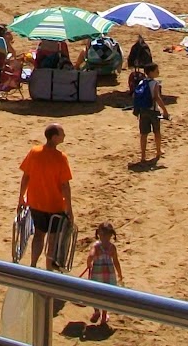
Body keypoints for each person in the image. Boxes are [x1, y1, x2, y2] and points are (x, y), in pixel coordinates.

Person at [18, 124, 73, 269]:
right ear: (54, 137)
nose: (64, 136)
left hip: (36, 203)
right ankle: (48, 269)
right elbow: (65, 186)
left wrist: (21, 198)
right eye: (62, 134)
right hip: (55, 205)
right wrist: (69, 208)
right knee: (53, 238)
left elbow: (26, 177)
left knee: (39, 235)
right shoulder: (61, 158)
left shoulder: (34, 152)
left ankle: (33, 265)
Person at [81, 222, 124, 328]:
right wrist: (119, 274)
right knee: (106, 295)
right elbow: (116, 262)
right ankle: (104, 316)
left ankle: (96, 312)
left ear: (99, 234)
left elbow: (90, 255)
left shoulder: (96, 246)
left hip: (97, 273)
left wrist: (89, 264)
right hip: (108, 274)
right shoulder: (112, 247)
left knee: (95, 292)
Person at [129, 64, 169, 165]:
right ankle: (158, 151)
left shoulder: (142, 82)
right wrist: (165, 110)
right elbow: (157, 97)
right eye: (156, 70)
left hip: (143, 111)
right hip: (153, 110)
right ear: (151, 72)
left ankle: (143, 156)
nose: (158, 72)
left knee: (143, 134)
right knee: (157, 132)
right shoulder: (154, 83)